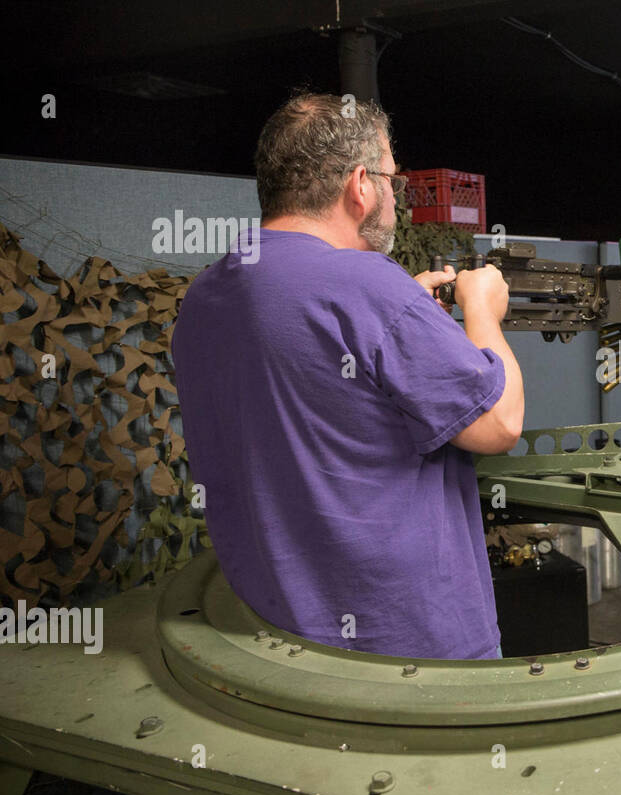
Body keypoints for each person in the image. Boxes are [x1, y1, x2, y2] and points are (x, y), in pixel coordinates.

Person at [170, 92, 523, 659]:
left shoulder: (206, 294)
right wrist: (483, 310)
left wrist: (396, 320)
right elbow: (499, 424)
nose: (393, 196)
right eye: (391, 179)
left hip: (273, 635)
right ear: (361, 185)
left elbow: (316, 383)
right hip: (408, 649)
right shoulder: (364, 283)